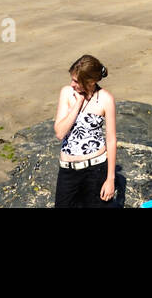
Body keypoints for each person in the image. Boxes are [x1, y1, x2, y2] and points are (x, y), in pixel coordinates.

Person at [54, 54, 117, 207]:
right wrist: (78, 104)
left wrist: (110, 179)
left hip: (95, 170)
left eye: (76, 81)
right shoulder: (66, 93)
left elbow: (111, 140)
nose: (72, 84)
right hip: (68, 171)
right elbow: (60, 133)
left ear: (91, 81)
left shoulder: (106, 99)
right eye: (72, 79)